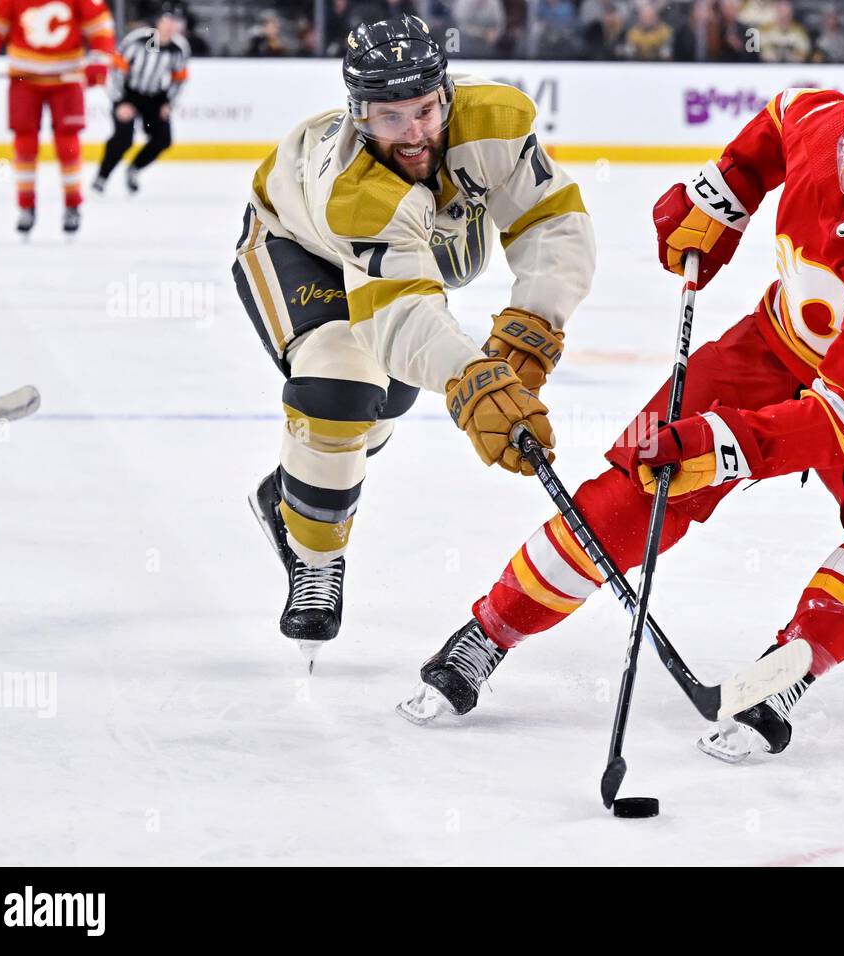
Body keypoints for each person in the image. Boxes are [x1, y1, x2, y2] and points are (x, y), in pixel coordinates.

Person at [398, 68, 844, 768]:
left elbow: (842, 424)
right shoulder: (826, 136)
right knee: (640, 478)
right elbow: (786, 115)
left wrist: (726, 446)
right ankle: (490, 630)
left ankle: (783, 675)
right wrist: (727, 190)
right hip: (771, 347)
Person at [233, 17, 594, 666]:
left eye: (424, 110)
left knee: (378, 411)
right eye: (389, 117)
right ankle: (316, 558)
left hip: (392, 270)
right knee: (339, 388)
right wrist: (471, 378)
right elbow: (398, 315)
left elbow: (551, 219)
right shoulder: (354, 186)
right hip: (296, 245)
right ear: (357, 114)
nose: (414, 133)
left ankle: (297, 484)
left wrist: (535, 322)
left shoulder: (493, 124)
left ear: (445, 95)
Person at [0, 0, 114, 235]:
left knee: (67, 142)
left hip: (67, 78)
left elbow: (99, 25)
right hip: (24, 79)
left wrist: (100, 59)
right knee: (25, 142)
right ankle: (26, 205)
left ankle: (73, 204)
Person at [93, 2, 190, 195]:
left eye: (176, 21)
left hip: (155, 97)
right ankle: (102, 177)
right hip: (129, 93)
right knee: (123, 139)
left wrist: (168, 104)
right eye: (167, 20)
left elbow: (179, 81)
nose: (171, 25)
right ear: (158, 21)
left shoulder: (179, 48)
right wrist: (120, 102)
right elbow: (114, 72)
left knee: (163, 139)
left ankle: (134, 169)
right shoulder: (139, 40)